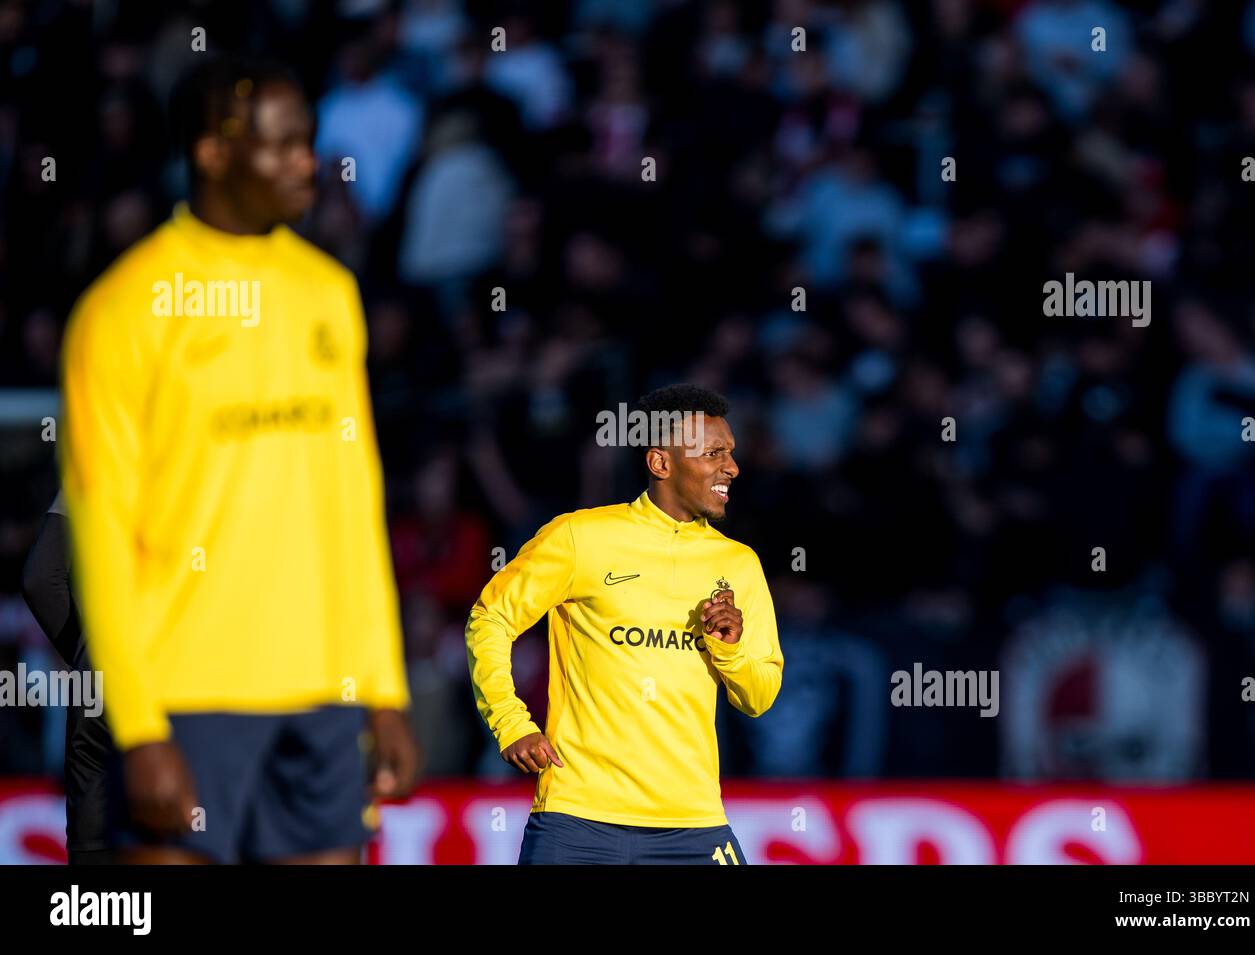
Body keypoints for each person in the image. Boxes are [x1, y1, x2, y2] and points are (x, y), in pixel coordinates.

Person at [58, 53, 416, 864]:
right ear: (213, 153)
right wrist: (139, 723)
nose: (308, 162)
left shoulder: (328, 290)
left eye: (309, 142)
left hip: (326, 697)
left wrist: (385, 691)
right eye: (284, 144)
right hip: (186, 696)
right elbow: (100, 535)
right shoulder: (122, 310)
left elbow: (353, 504)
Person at [466, 383, 783, 864]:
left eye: (732, 453)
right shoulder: (580, 537)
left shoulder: (739, 564)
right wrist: (511, 724)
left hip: (692, 824)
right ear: (661, 463)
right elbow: (490, 617)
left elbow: (759, 698)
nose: (732, 467)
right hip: (577, 819)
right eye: (714, 453)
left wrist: (731, 651)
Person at [20, 492, 112, 865]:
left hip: (100, 681)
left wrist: (89, 658)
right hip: (181, 681)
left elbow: (40, 579)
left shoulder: (95, 451)